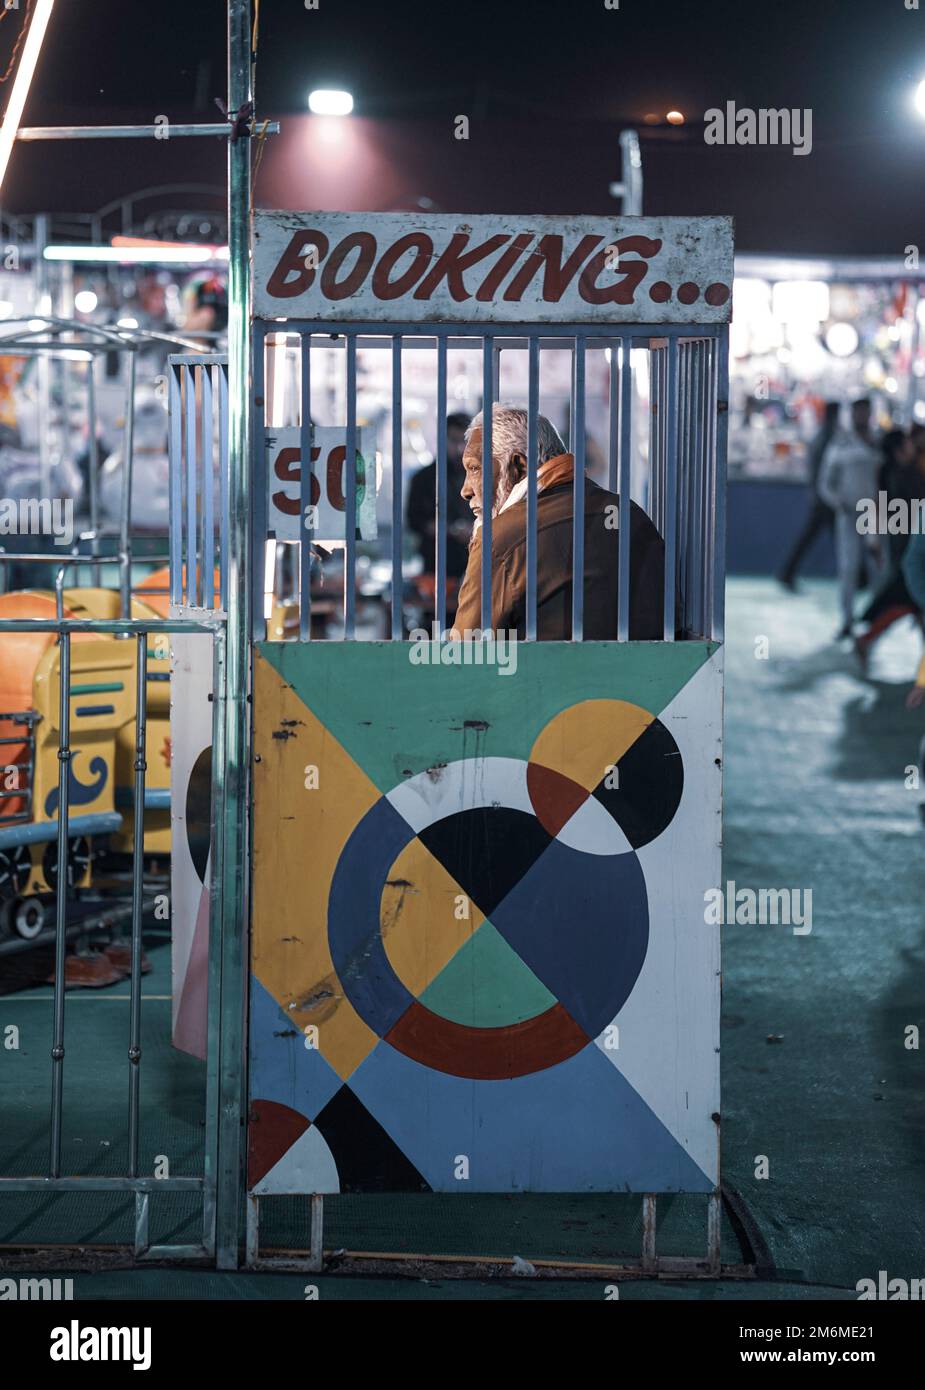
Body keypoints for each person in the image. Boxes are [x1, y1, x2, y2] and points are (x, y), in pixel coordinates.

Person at [450, 403, 665, 640]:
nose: (465, 490)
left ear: (519, 466)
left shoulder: (500, 538)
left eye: (475, 469)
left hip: (540, 677)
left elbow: (465, 655)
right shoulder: (630, 514)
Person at [817, 398, 882, 638]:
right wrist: (839, 503)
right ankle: (847, 621)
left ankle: (876, 621)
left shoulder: (879, 443)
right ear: (852, 414)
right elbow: (825, 483)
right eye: (858, 412)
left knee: (878, 568)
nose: (862, 417)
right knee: (849, 568)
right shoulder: (841, 444)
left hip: (877, 515)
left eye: (866, 412)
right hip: (848, 515)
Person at [406, 413, 473, 604]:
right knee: (437, 626)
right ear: (442, 440)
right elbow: (414, 521)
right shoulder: (423, 479)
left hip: (473, 564)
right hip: (436, 567)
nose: (460, 448)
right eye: (454, 440)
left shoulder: (482, 478)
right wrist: (446, 529)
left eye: (465, 441)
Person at [778, 401, 839, 591]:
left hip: (822, 497)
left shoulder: (822, 437)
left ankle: (787, 572)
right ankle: (787, 572)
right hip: (824, 499)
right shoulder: (827, 439)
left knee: (814, 538)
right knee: (836, 538)